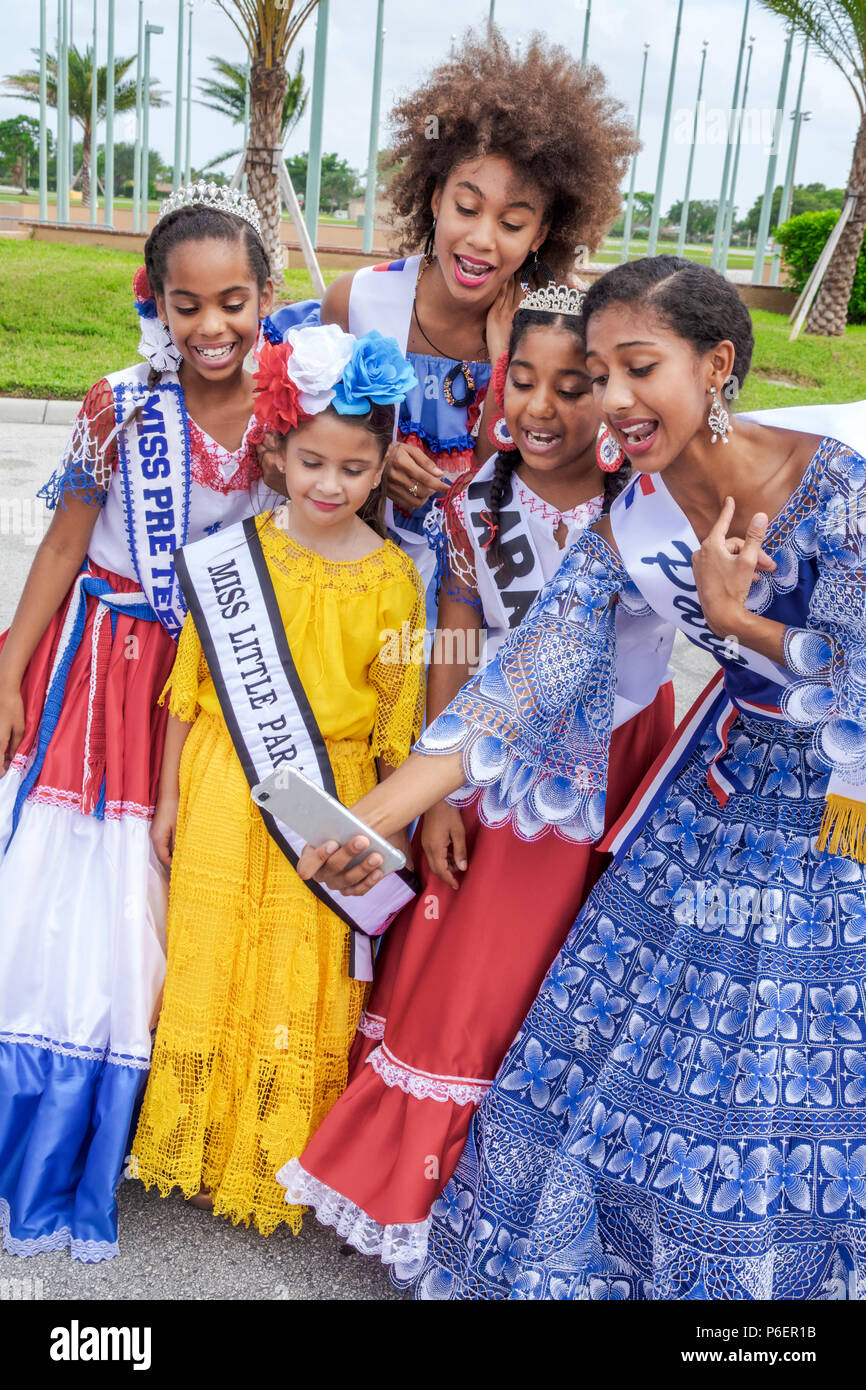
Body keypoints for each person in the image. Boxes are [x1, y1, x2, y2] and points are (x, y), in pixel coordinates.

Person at [298, 257, 866, 1300]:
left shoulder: (836, 489)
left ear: (716, 365)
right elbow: (513, 688)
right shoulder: (633, 521)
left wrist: (740, 623)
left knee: (751, 1083)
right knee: (605, 1060)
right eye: (594, 370)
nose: (608, 399)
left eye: (634, 368)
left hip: (831, 828)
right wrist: (371, 818)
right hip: (710, 796)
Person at [280, 285, 675, 1263]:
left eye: (569, 384)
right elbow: (453, 645)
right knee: (473, 973)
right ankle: (422, 1196)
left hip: (620, 761)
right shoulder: (475, 506)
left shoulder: (650, 504)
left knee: (571, 979)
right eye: (521, 381)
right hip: (496, 769)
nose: (538, 407)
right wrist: (441, 799)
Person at [0, 183, 281, 1261]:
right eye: (186, 304)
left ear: (267, 297)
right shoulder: (117, 403)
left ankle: (167, 1113)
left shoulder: (294, 405)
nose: (211, 328)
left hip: (215, 679)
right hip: (106, 665)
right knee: (83, 882)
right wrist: (12, 662)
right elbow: (66, 544)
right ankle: (52, 1110)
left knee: (181, 876)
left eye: (233, 303)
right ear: (154, 303)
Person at [130, 327, 426, 1239]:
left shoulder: (394, 580)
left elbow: (396, 723)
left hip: (330, 797)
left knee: (301, 963)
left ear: (380, 472)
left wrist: (393, 835)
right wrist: (172, 797)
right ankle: (194, 1137)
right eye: (312, 462)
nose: (329, 485)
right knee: (211, 949)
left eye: (353, 468)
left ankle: (271, 1151)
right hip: (226, 776)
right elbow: (191, 687)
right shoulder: (232, 554)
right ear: (279, 452)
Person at [272, 28, 636, 604]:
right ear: (436, 196)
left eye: (513, 224)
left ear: (542, 232)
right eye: (467, 207)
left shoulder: (561, 331)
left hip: (496, 612)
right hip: (364, 594)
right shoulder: (359, 302)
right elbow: (297, 454)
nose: (482, 240)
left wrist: (504, 365)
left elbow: (548, 483)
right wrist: (372, 464)